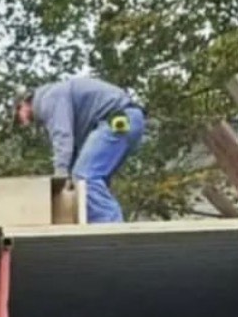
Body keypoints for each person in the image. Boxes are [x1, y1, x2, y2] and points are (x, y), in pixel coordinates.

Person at [15, 76, 147, 223]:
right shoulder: (58, 97)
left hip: (116, 120)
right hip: (127, 121)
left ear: (24, 103)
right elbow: (75, 151)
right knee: (91, 183)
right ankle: (104, 225)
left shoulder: (48, 99)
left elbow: (62, 137)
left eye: (18, 116)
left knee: (85, 178)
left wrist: (60, 177)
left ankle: (111, 232)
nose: (21, 123)